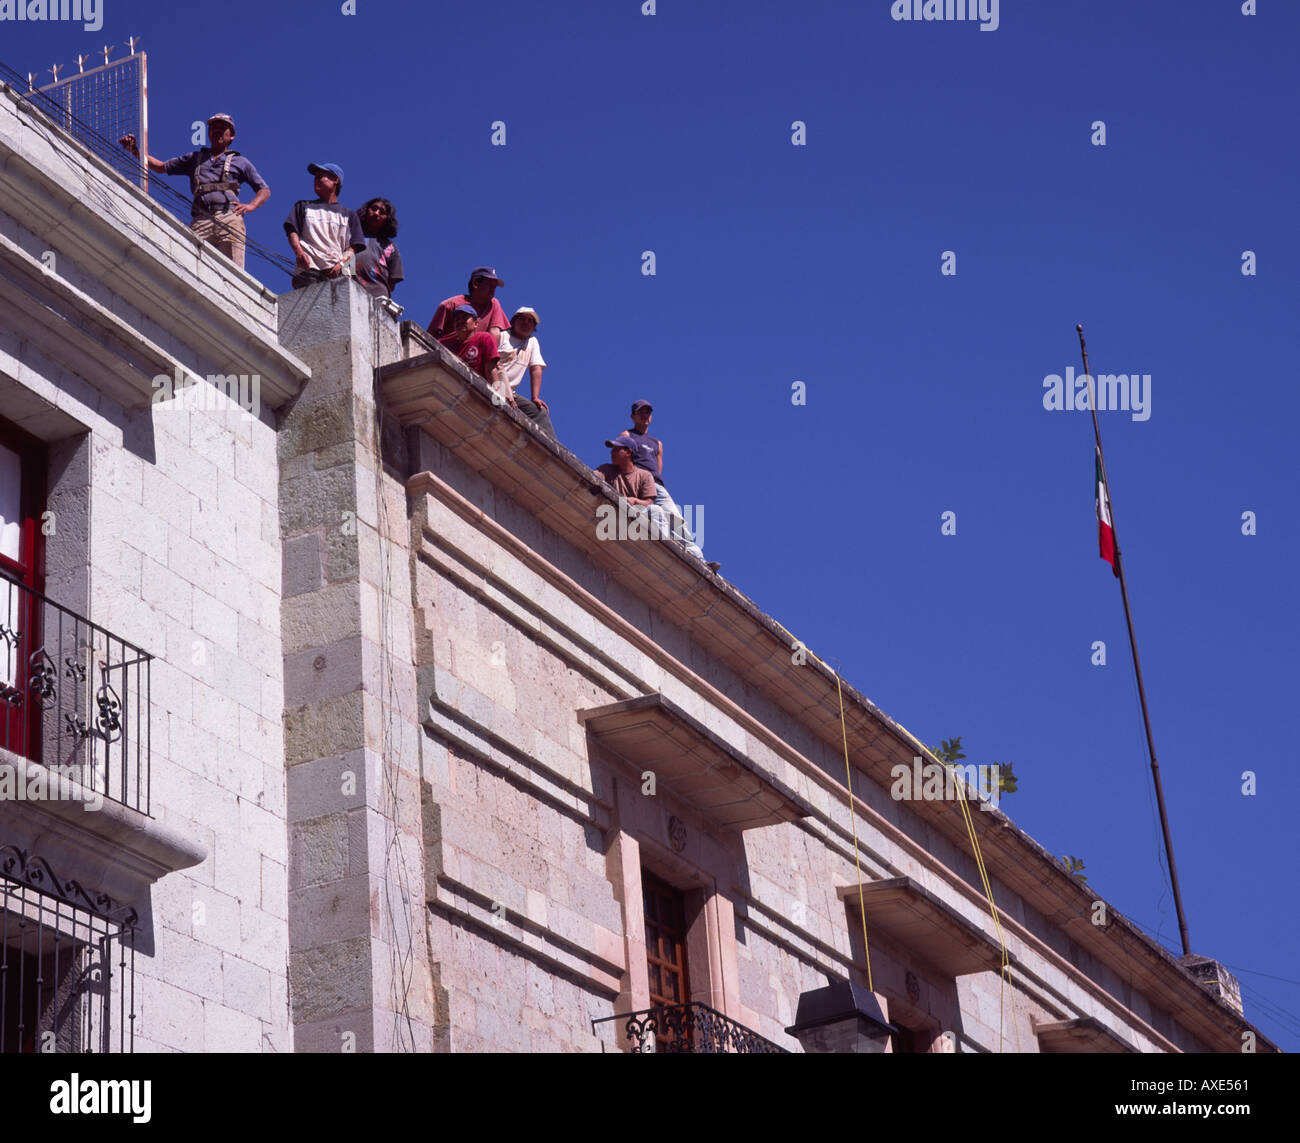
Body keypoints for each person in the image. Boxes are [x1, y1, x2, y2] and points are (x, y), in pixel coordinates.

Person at [118, 113, 269, 270]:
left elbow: (264, 190)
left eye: (222, 128)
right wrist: (134, 150)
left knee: (233, 272)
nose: (217, 130)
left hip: (229, 217)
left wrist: (251, 206)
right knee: (191, 267)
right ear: (208, 133)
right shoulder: (195, 158)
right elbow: (161, 167)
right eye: (213, 128)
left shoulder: (241, 162)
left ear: (231, 136)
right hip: (201, 220)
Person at [624, 401, 715, 567]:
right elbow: (623, 459)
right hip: (640, 480)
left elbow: (658, 468)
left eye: (647, 413)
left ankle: (699, 561)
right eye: (641, 412)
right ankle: (666, 555)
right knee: (656, 517)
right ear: (633, 416)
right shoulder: (628, 435)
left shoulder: (657, 444)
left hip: (657, 485)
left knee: (677, 520)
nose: (645, 416)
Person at [284, 163, 366, 289]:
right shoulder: (303, 206)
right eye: (315, 177)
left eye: (321, 176)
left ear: (335, 180)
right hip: (308, 270)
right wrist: (299, 252)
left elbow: (353, 247)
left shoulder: (349, 215)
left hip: (338, 273)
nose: (316, 180)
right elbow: (291, 230)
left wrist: (341, 264)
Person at [496, 307, 556, 439]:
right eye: (522, 319)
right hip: (494, 386)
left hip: (511, 393)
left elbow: (536, 368)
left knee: (539, 412)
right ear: (513, 321)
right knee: (500, 410)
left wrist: (535, 397)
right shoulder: (502, 336)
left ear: (534, 327)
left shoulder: (532, 342)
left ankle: (552, 451)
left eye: (530, 321)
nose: (526, 323)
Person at [437, 305, 507, 391]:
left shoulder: (484, 338)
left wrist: (497, 397)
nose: (460, 321)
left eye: (464, 318)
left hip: (481, 392)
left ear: (476, 323)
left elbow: (491, 370)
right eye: (456, 319)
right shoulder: (451, 348)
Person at [428, 267, 509, 337]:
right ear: (475, 283)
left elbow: (494, 333)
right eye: (489, 285)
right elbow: (430, 337)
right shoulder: (450, 304)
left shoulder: (493, 304)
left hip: (477, 353)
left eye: (494, 286)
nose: (493, 289)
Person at [353, 197, 404, 300]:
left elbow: (392, 283)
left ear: (387, 219)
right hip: (350, 290)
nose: (376, 213)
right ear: (366, 210)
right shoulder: (351, 236)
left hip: (378, 298)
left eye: (382, 212)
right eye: (374, 208)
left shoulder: (390, 247)